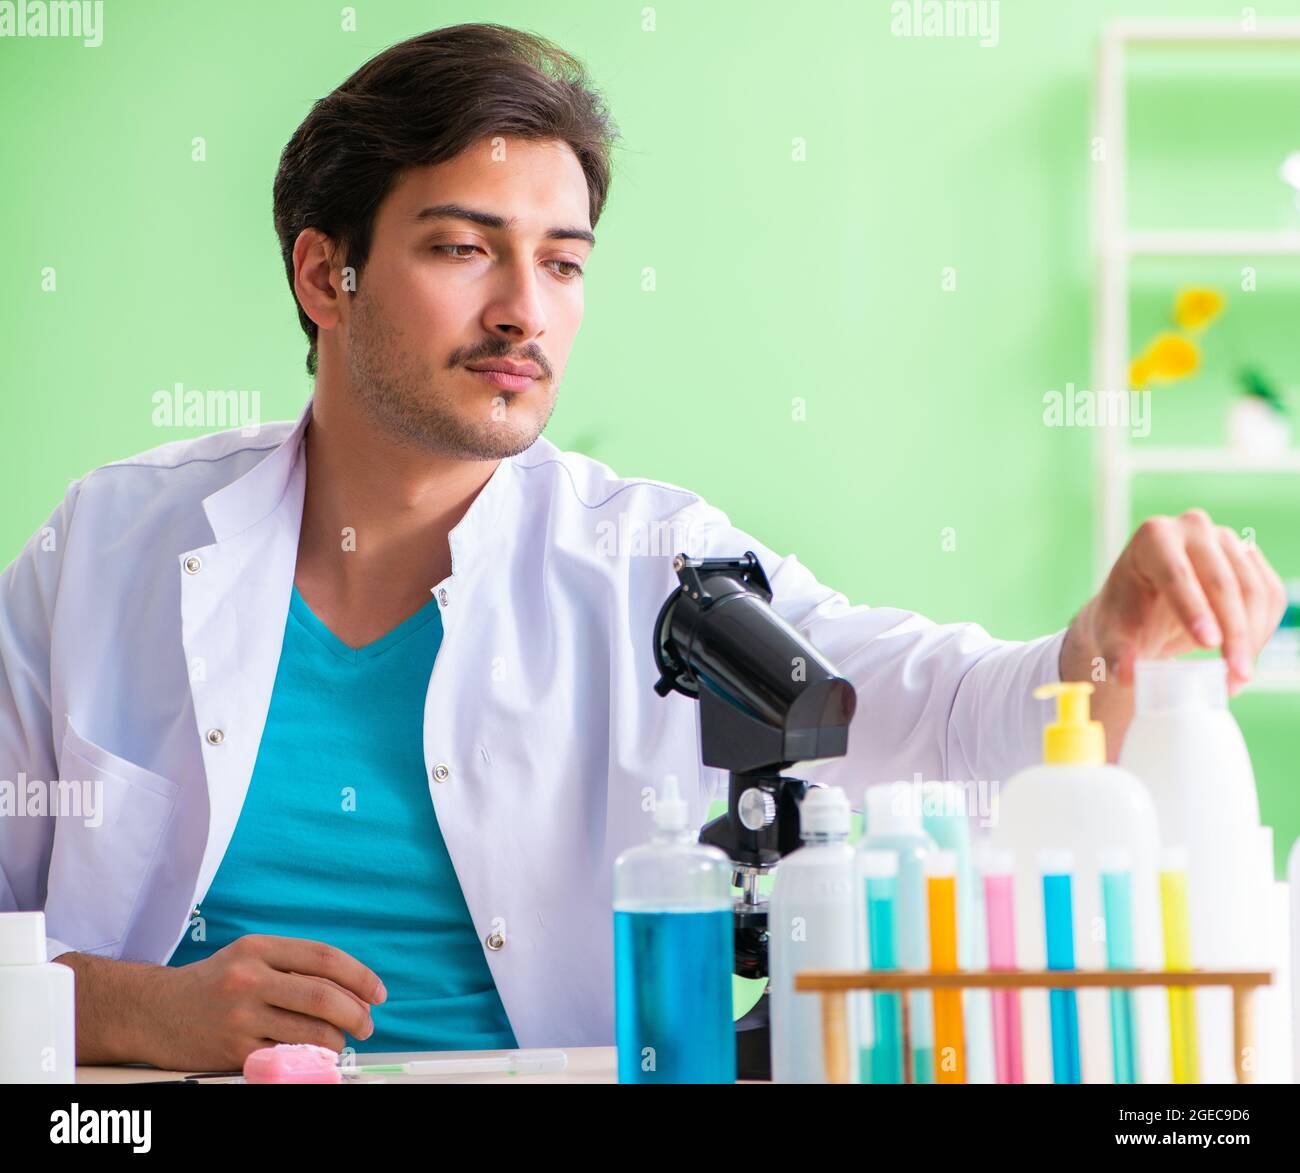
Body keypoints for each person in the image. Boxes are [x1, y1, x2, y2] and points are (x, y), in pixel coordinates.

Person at [0, 24, 1285, 1072]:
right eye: (463, 248)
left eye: (562, 264)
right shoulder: (110, 545)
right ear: (323, 274)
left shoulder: (654, 562)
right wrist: (128, 1013)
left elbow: (934, 715)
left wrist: (1100, 648)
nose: (524, 313)